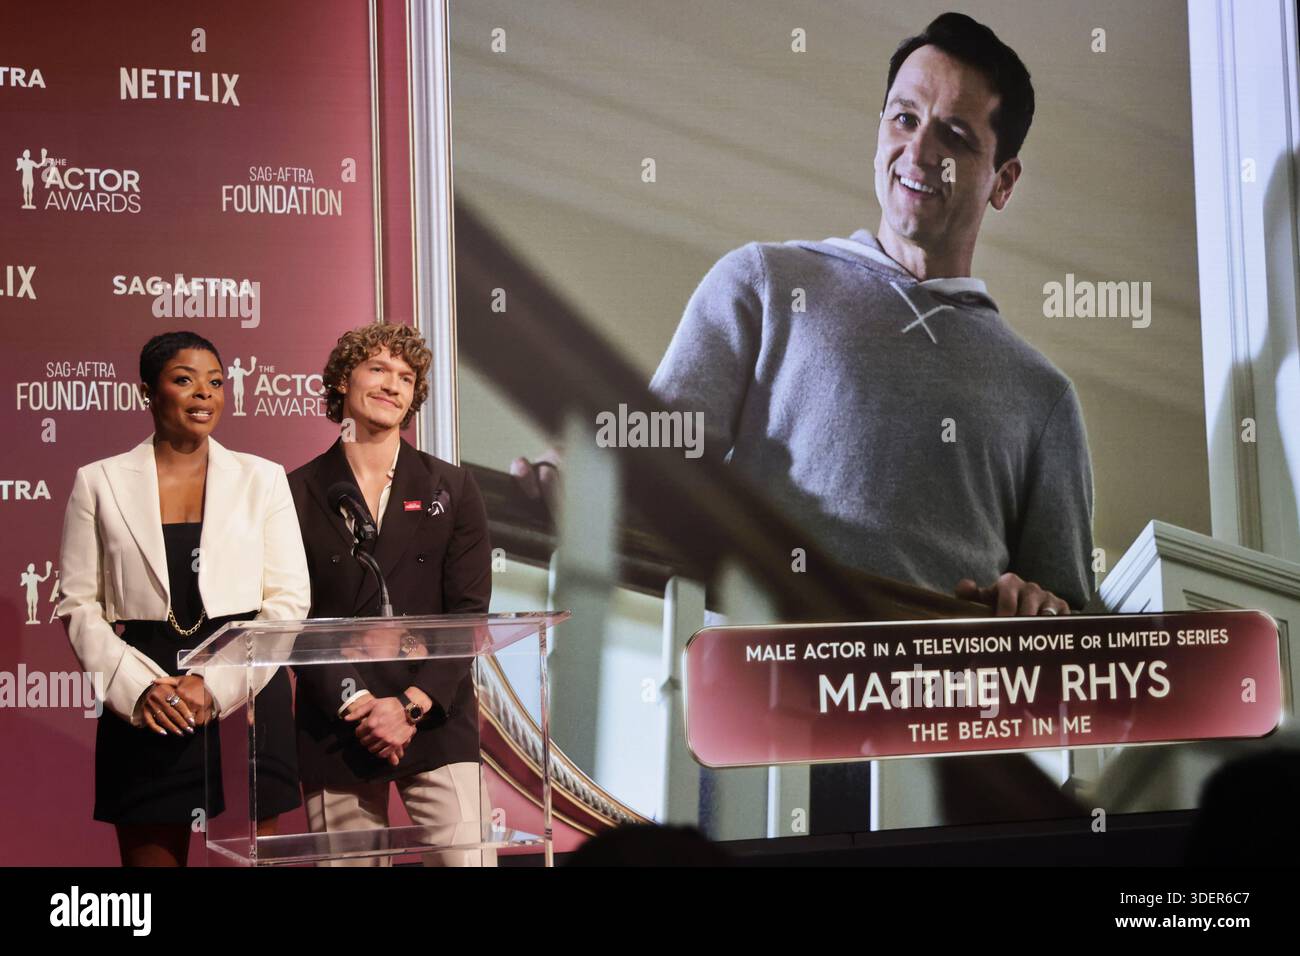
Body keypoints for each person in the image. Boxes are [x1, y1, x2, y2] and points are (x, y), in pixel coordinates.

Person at [56, 331, 310, 866]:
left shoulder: (261, 479)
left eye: (216, 382)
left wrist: (212, 685)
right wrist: (138, 689)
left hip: (245, 691)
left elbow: (288, 601)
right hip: (145, 697)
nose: (204, 393)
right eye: (184, 379)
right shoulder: (98, 482)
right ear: (147, 391)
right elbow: (78, 604)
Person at [288, 323, 496, 867]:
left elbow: (468, 614)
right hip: (338, 720)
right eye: (378, 369)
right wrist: (357, 702)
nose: (393, 385)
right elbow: (289, 616)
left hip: (434, 712)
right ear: (341, 382)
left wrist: (410, 705)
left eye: (406, 377)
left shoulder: (452, 488)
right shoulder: (292, 492)